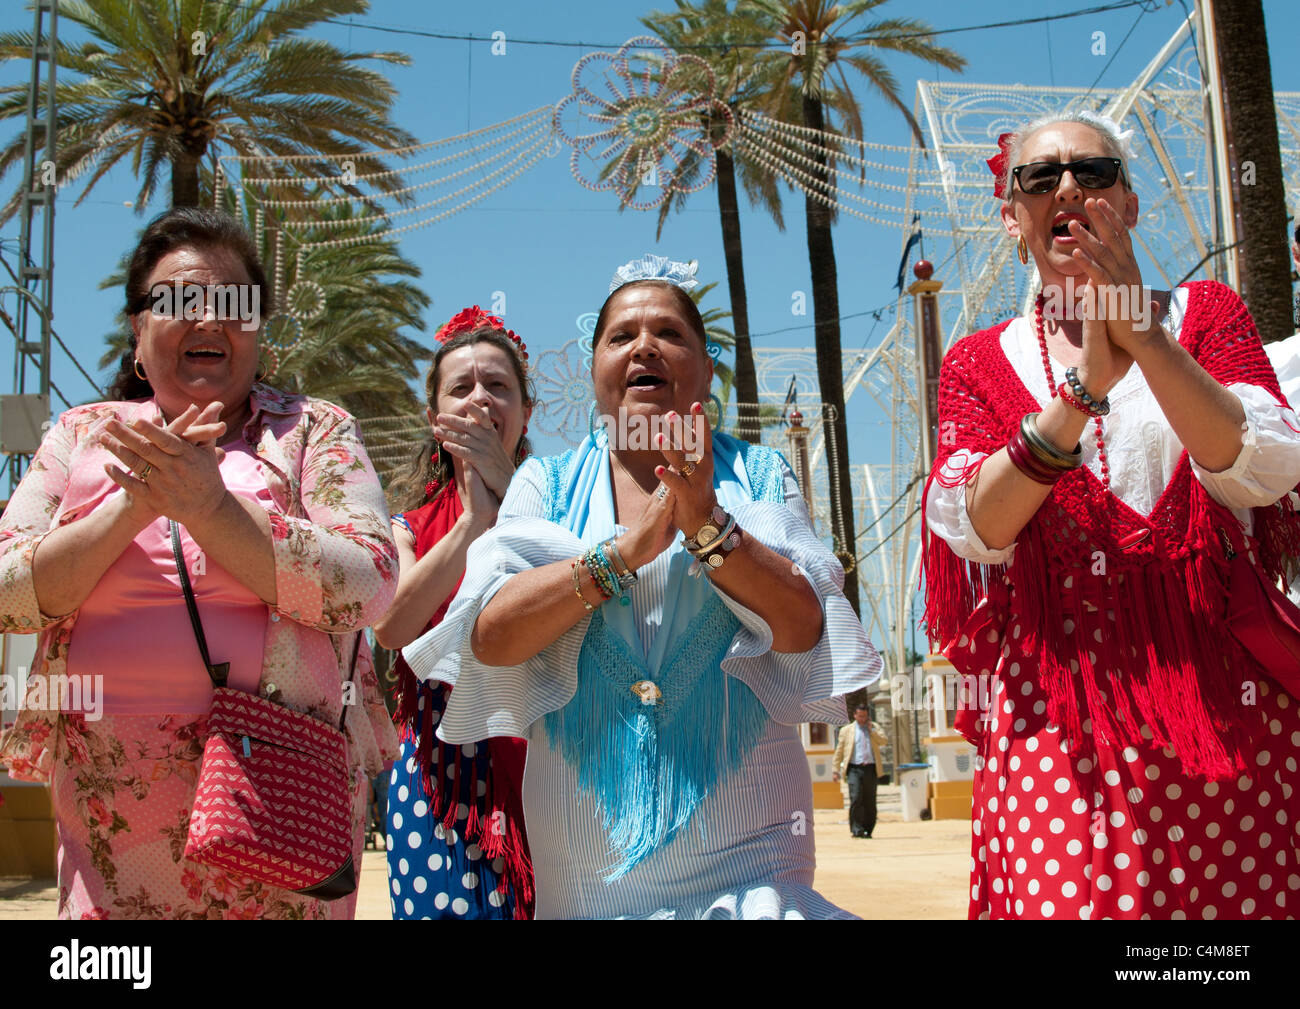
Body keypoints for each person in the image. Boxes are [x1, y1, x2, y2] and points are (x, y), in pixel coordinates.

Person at [404, 254, 879, 919]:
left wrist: (710, 526)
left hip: (751, 870)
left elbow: (804, 625)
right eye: (621, 335)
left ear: (706, 370)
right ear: (596, 369)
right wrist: (624, 553)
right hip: (588, 887)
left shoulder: (760, 473)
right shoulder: (547, 485)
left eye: (670, 334)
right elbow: (491, 634)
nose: (644, 346)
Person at [923, 111, 1300, 920]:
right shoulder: (979, 362)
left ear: (1129, 203)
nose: (1068, 187)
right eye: (1040, 176)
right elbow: (972, 521)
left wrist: (1147, 339)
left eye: (1094, 172)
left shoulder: (1209, 315)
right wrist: (1081, 394)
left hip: (1218, 707)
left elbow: (1262, 466)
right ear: (1012, 214)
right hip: (1054, 719)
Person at [0, 208, 398, 920]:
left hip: (278, 798)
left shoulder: (314, 429)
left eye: (236, 303)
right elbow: (7, 593)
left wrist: (213, 508)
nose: (210, 317)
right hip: (108, 801)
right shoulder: (79, 435)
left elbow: (368, 581)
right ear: (137, 331)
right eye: (180, 300)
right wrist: (137, 504)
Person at [373, 307, 535, 920]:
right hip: (438, 764)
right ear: (434, 416)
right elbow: (391, 626)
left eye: (497, 385)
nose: (479, 399)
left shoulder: (565, 507)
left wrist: (512, 499)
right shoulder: (408, 525)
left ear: (525, 411)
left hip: (545, 744)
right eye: (460, 387)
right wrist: (472, 523)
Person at [832, 703, 887, 838]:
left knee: (870, 800)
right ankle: (857, 829)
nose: (862, 718)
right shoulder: (847, 730)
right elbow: (839, 751)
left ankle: (868, 829)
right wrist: (835, 769)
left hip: (870, 768)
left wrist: (872, 731)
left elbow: (883, 741)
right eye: (860, 716)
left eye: (865, 716)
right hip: (854, 769)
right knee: (856, 797)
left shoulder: (874, 728)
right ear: (855, 715)